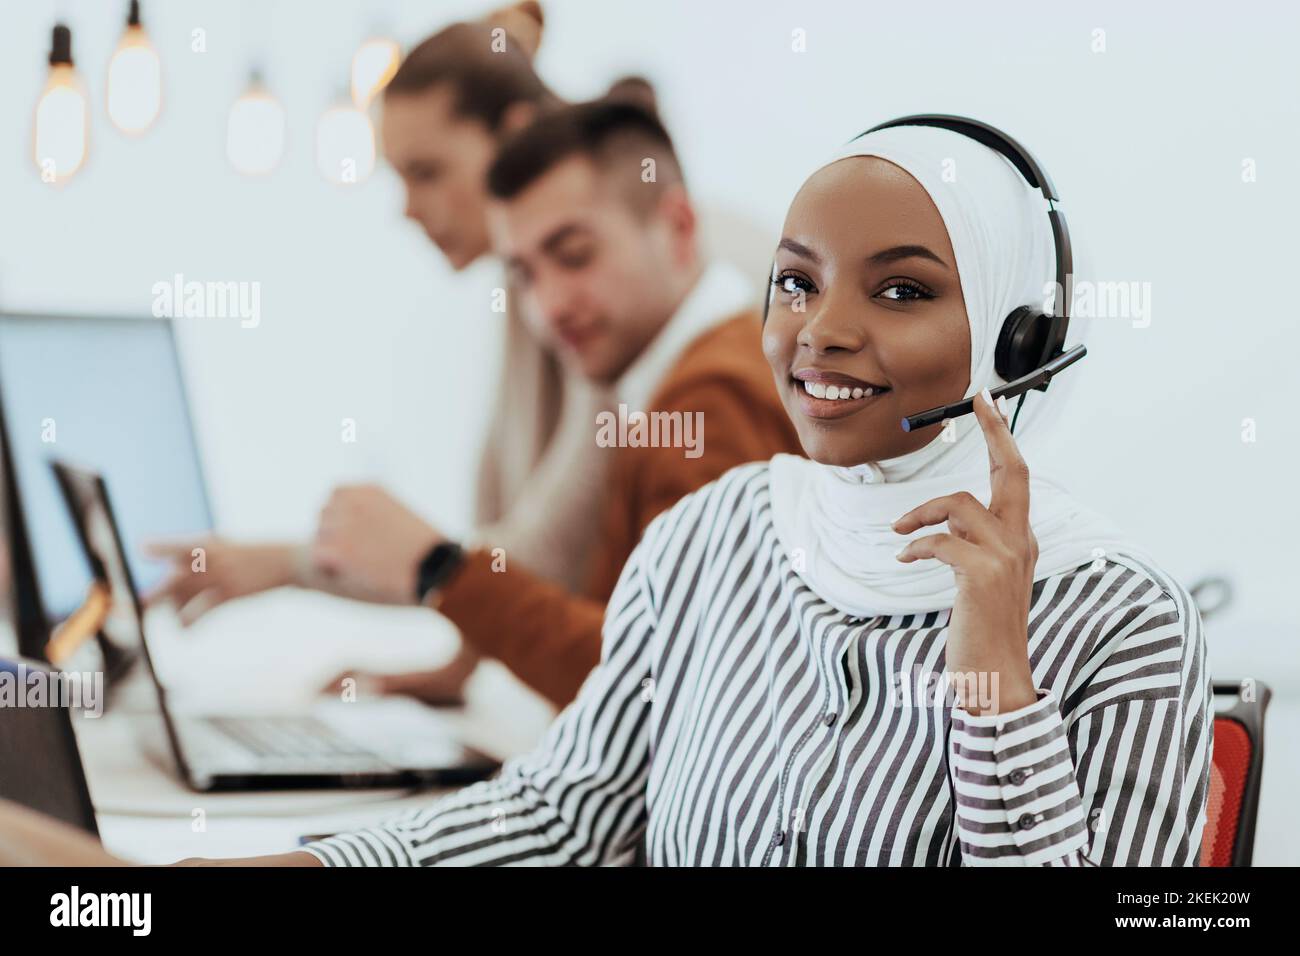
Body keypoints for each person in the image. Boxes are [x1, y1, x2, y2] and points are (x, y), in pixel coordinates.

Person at [0, 120, 1212, 867]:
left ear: (1017, 333)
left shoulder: (1122, 619)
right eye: (795, 283)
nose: (820, 333)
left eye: (900, 291)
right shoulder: (715, 538)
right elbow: (556, 817)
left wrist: (995, 688)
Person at [148, 9, 776, 708]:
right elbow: (526, 530)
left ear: (509, 138)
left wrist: (383, 565)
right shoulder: (559, 289)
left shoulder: (682, 345)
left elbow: (567, 580)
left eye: (426, 172)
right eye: (529, 273)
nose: (408, 209)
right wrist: (458, 663)